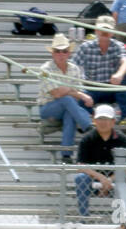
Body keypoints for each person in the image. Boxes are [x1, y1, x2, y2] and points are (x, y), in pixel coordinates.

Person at [37, 32, 93, 161]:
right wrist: (78, 93)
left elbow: (70, 93)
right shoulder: (45, 69)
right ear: (52, 53)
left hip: (68, 106)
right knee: (68, 101)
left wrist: (68, 91)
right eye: (58, 51)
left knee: (70, 112)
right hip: (47, 108)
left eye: (64, 51)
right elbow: (56, 94)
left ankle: (66, 155)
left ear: (69, 53)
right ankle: (87, 126)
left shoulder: (74, 69)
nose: (61, 54)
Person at [72, 14, 126, 124]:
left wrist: (119, 74)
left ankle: (124, 116)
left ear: (113, 32)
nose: (104, 32)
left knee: (125, 74)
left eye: (107, 29)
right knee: (81, 97)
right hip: (91, 88)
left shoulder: (118, 46)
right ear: (96, 30)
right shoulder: (85, 47)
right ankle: (91, 117)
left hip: (111, 87)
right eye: (102, 29)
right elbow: (72, 67)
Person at [74, 103, 126, 217]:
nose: (103, 122)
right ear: (94, 120)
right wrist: (102, 178)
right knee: (80, 178)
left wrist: (109, 180)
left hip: (116, 180)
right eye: (100, 119)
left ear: (113, 121)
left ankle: (125, 219)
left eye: (106, 119)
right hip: (92, 180)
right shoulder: (87, 139)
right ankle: (84, 218)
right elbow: (81, 165)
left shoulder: (121, 139)